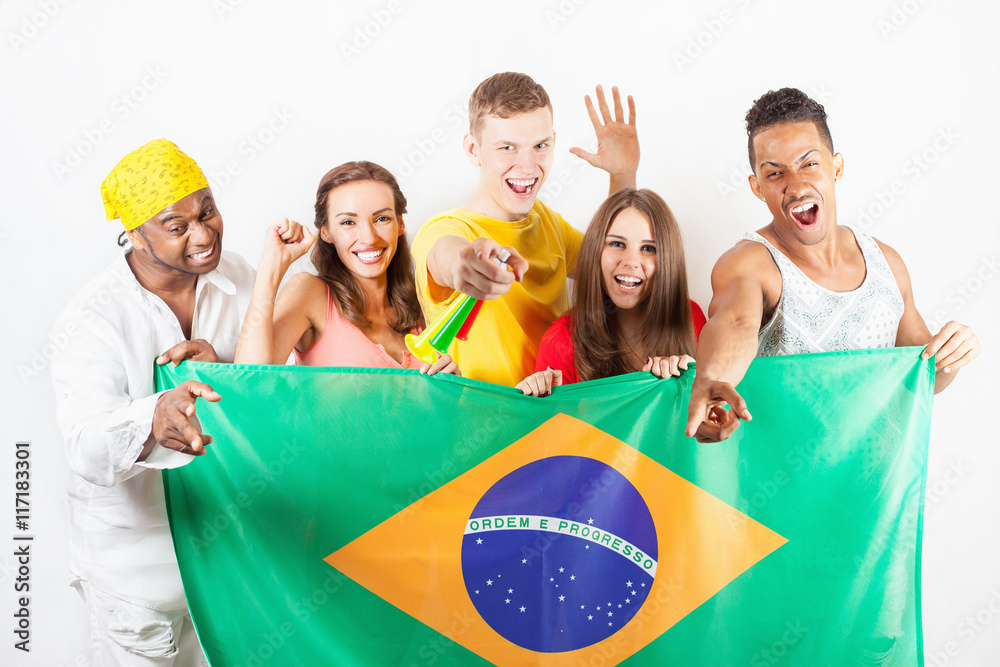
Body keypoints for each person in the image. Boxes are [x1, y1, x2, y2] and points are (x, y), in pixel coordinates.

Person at [50, 139, 263, 665]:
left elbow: (268, 380)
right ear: (134, 234)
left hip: (230, 561)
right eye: (177, 226)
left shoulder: (236, 276)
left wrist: (223, 371)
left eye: (207, 210)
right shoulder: (92, 319)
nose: (203, 233)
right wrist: (153, 418)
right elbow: (84, 447)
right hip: (140, 579)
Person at [686, 88, 981, 443]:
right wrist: (713, 382)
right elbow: (734, 322)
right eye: (775, 174)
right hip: (778, 491)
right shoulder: (750, 262)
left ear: (836, 166)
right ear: (757, 187)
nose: (796, 186)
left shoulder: (886, 262)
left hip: (878, 488)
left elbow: (922, 375)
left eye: (809, 164)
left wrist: (951, 354)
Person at [411, 72, 640, 387]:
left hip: (559, 424)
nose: (528, 165)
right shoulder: (445, 229)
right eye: (507, 148)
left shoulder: (549, 223)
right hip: (486, 430)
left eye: (540, 145)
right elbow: (447, 258)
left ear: (553, 142)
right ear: (473, 150)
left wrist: (623, 175)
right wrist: (466, 265)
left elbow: (614, 266)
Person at [235, 160, 457, 375]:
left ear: (400, 224)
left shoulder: (423, 307)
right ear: (326, 232)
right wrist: (272, 265)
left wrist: (452, 389)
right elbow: (248, 379)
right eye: (348, 222)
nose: (369, 238)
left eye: (381, 218)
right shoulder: (311, 294)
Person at [516, 188, 706, 396]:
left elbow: (708, 418)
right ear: (595, 251)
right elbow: (551, 428)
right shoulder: (561, 342)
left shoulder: (690, 317)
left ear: (668, 260)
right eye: (617, 244)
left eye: (649, 248)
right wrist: (551, 404)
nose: (631, 262)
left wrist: (687, 384)